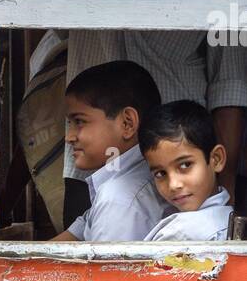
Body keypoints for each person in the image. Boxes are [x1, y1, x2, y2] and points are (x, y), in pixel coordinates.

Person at [64, 29, 247, 223]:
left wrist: (226, 189)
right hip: (86, 176)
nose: (174, 184)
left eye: (79, 121)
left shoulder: (129, 203)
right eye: (160, 173)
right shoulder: (111, 196)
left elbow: (228, 83)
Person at [54, 60, 165, 243]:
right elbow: (77, 232)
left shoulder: (118, 199)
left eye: (80, 121)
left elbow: (103, 272)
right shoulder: (126, 180)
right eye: (69, 123)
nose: (69, 137)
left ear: (127, 123)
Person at [140, 101, 233, 243]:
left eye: (185, 165)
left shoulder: (180, 233)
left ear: (216, 159)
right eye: (160, 173)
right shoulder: (228, 217)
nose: (173, 185)